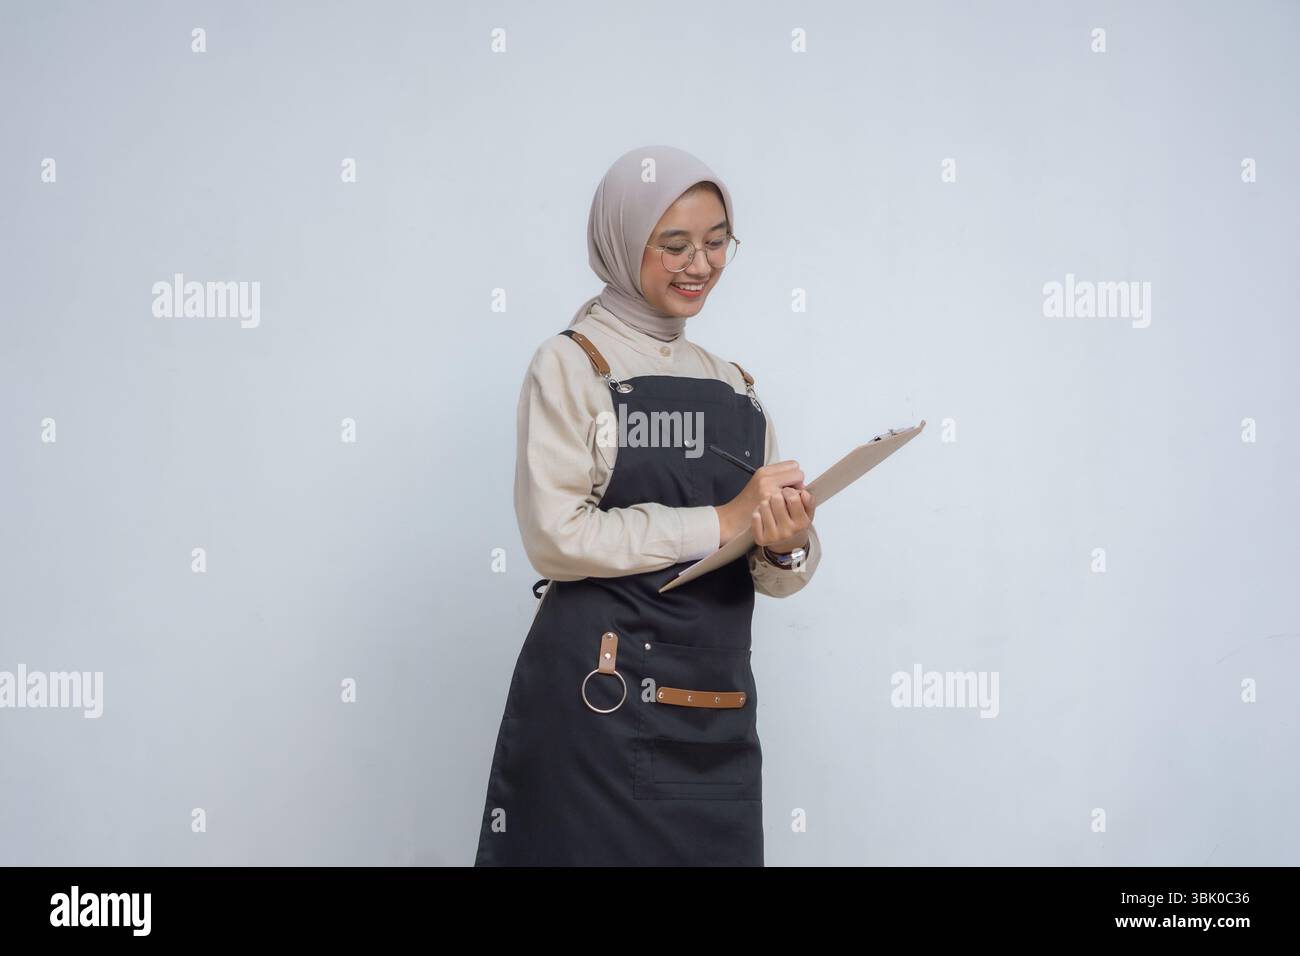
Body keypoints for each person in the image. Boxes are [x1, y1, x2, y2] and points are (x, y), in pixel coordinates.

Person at [473, 144, 821, 866]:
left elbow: (774, 570)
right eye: (675, 245)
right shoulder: (571, 364)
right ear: (623, 241)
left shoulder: (734, 385)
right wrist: (720, 521)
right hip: (600, 702)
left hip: (715, 709)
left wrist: (785, 543)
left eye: (717, 242)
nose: (700, 265)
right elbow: (554, 536)